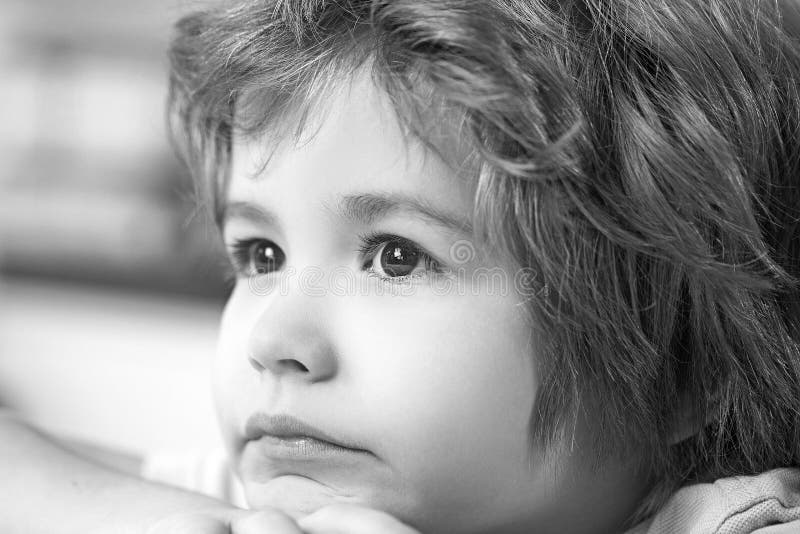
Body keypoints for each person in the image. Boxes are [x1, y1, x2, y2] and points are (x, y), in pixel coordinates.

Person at [3, 0, 800, 532]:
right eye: (262, 254)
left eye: (395, 257)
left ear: (678, 363)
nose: (275, 337)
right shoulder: (294, 493)